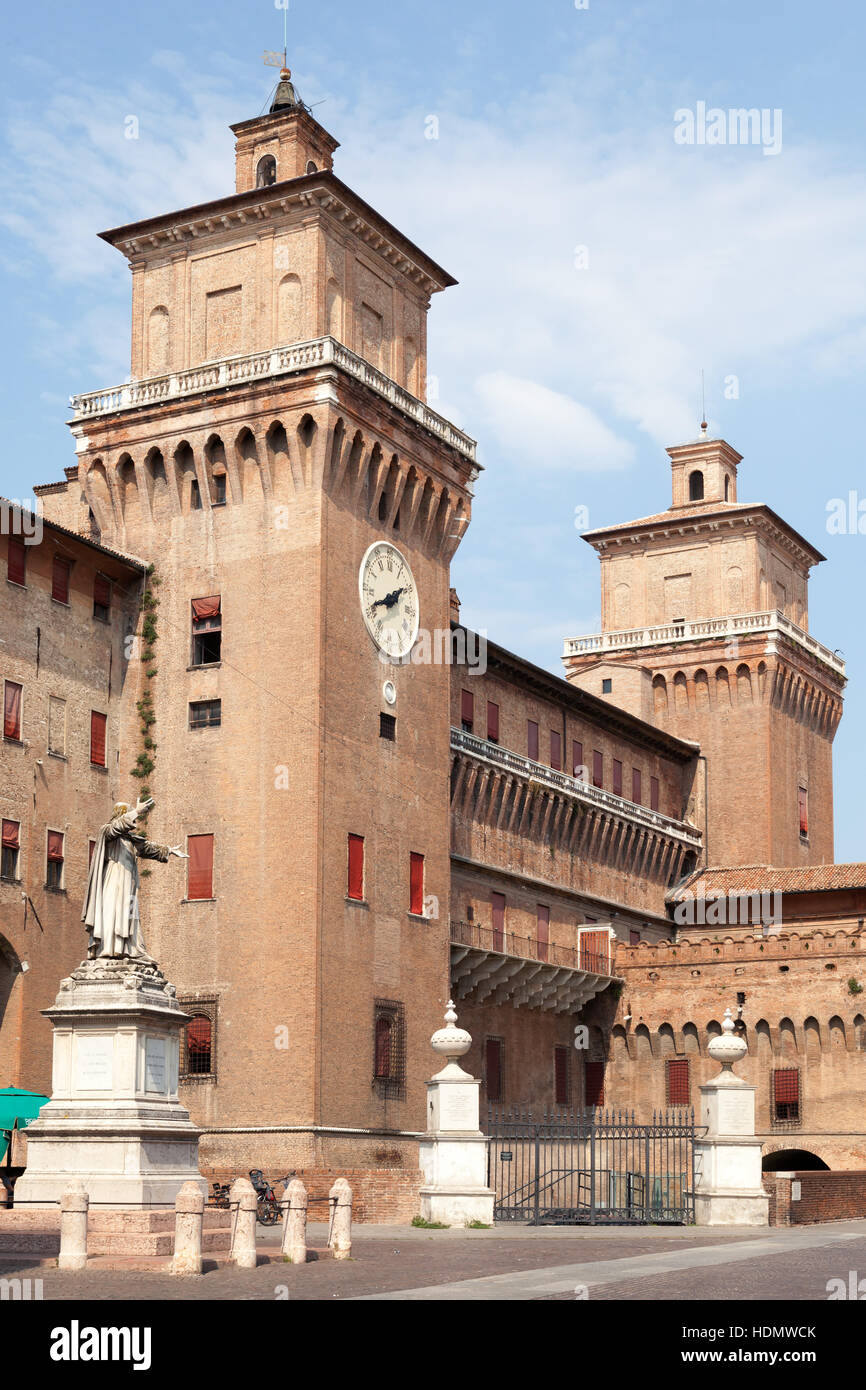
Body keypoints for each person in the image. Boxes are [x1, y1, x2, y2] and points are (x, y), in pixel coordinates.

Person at [81, 797, 187, 959]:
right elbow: (116, 828)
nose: (133, 820)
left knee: (129, 914)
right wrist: (136, 811)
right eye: (129, 814)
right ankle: (108, 948)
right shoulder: (107, 832)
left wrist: (169, 850)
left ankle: (128, 949)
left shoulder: (130, 840)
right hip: (113, 880)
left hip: (129, 883)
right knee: (113, 912)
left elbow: (147, 848)